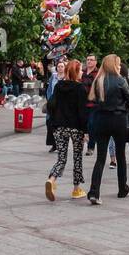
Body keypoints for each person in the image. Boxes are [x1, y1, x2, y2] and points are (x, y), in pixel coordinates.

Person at [86, 54, 129, 205]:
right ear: (114, 65)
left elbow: (93, 100)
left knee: (100, 158)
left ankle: (94, 192)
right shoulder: (121, 80)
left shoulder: (98, 80)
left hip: (101, 120)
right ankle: (123, 189)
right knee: (121, 156)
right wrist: (128, 107)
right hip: (119, 120)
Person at [45, 59, 88, 201]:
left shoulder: (58, 86)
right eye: (81, 69)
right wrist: (86, 131)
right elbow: (82, 112)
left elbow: (51, 104)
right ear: (76, 72)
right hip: (75, 128)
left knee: (61, 158)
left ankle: (51, 179)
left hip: (59, 126)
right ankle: (76, 189)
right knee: (77, 158)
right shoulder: (80, 88)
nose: (82, 72)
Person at [82, 54, 100, 156]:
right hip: (83, 103)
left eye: (91, 60)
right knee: (83, 125)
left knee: (91, 125)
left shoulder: (97, 74)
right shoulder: (83, 73)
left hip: (93, 104)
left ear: (95, 62)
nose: (89, 61)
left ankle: (91, 147)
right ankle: (82, 144)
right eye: (88, 59)